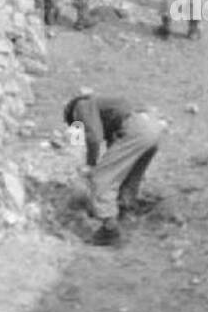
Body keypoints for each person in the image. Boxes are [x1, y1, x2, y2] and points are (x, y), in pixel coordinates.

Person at [63, 88, 166, 246]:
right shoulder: (105, 107)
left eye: (77, 125)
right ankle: (125, 209)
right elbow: (114, 146)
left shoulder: (81, 106)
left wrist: (90, 165)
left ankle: (109, 229)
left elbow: (94, 137)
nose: (78, 128)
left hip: (137, 130)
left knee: (102, 178)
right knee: (128, 174)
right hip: (152, 128)